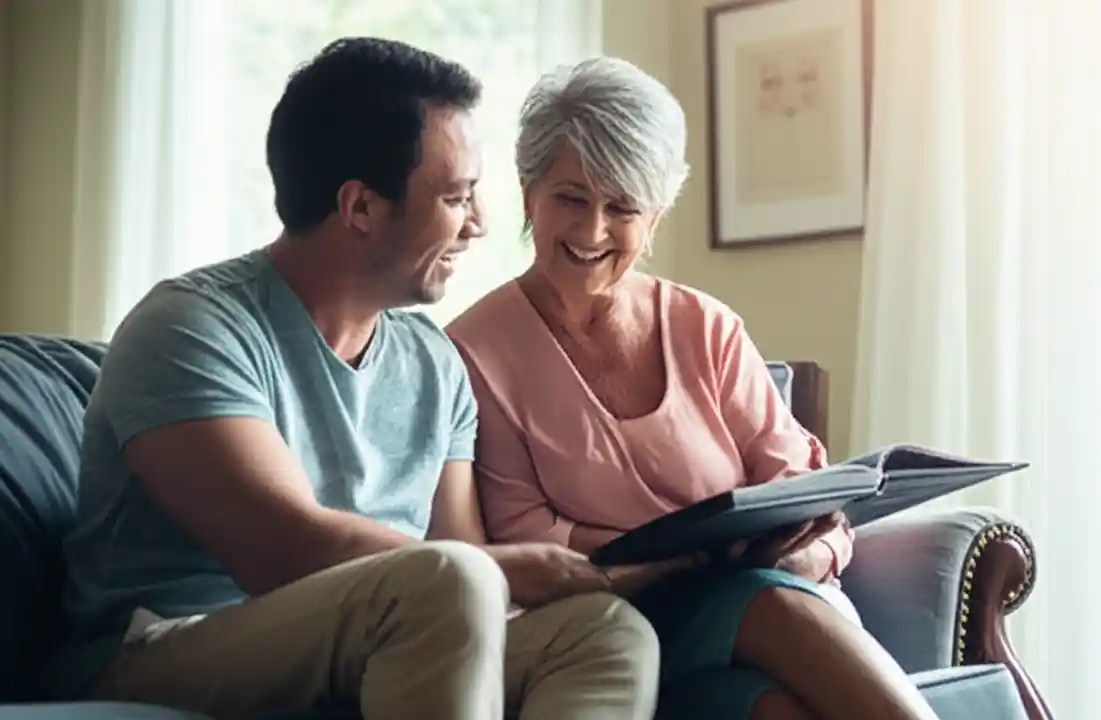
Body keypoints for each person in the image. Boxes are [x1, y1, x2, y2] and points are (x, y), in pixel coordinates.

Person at [43, 38, 671, 720]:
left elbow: (459, 560)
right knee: (449, 578)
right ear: (361, 208)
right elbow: (286, 548)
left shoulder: (434, 363)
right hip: (165, 648)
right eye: (457, 197)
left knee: (600, 633)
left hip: (382, 629)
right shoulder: (189, 329)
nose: (482, 224)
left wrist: (626, 570)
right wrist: (505, 566)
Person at [446, 57, 942, 720]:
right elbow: (525, 535)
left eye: (621, 207)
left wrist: (806, 554)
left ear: (655, 216)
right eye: (571, 198)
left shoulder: (705, 326)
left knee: (774, 705)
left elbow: (806, 492)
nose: (593, 231)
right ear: (529, 189)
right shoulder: (473, 352)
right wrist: (687, 561)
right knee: (768, 610)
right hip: (613, 618)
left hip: (765, 604)